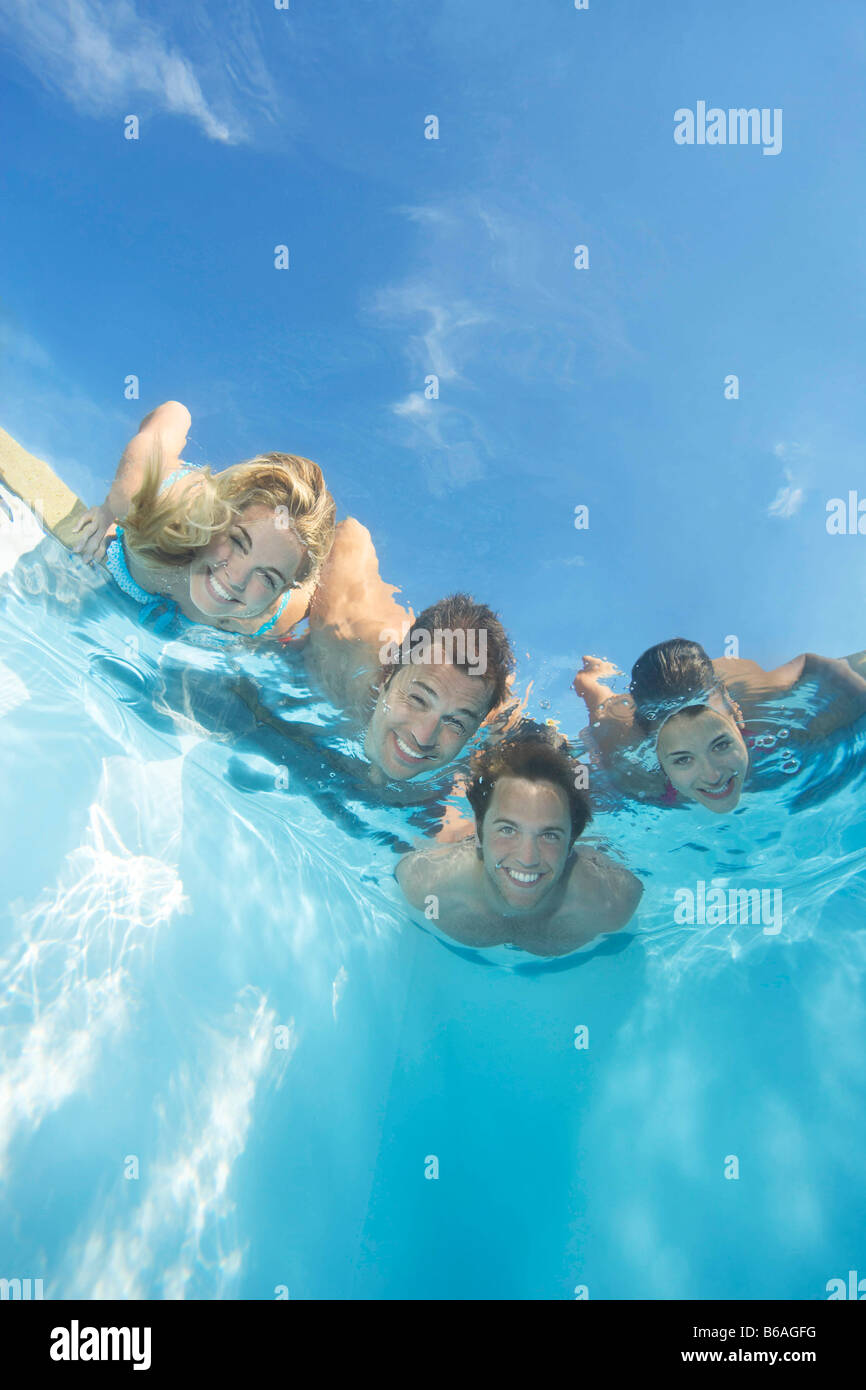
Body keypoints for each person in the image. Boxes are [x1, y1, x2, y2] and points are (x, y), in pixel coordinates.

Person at [70, 400, 402, 646]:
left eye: (268, 578)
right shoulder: (146, 503)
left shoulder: (278, 614)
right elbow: (174, 412)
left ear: (286, 588)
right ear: (217, 515)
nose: (238, 579)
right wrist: (107, 511)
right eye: (239, 541)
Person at [241, 591, 520, 793]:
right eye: (418, 699)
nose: (423, 738)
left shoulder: (470, 770)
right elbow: (351, 536)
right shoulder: (339, 665)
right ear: (387, 675)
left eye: (456, 722)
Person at [396, 732, 643, 956]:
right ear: (480, 834)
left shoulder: (612, 904)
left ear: (571, 844)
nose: (528, 858)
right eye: (508, 829)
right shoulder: (426, 885)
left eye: (550, 835)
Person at [573, 639, 866, 813]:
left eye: (721, 744)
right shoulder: (632, 771)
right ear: (656, 754)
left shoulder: (769, 712)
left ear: (736, 716)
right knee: (601, 705)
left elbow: (817, 667)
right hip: (634, 718)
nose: (713, 776)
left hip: (734, 684)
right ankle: (592, 677)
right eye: (683, 759)